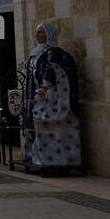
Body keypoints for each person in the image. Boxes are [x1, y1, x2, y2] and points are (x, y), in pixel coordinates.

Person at [22, 21, 81, 170]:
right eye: (37, 32)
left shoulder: (53, 53)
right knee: (32, 128)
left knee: (51, 131)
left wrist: (46, 88)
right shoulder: (35, 52)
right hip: (34, 98)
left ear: (49, 34)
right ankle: (33, 155)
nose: (37, 35)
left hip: (49, 101)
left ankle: (54, 158)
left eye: (41, 32)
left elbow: (55, 75)